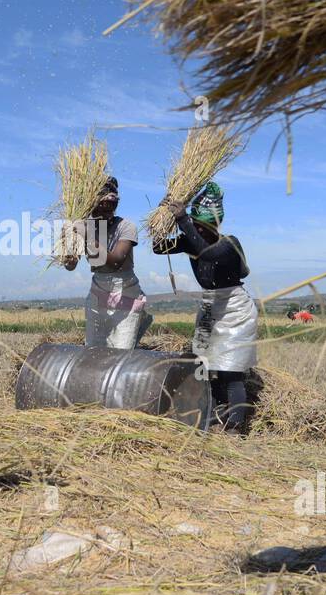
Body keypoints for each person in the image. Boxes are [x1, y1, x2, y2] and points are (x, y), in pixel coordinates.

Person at [153, 182, 257, 434]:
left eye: (203, 226)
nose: (198, 230)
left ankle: (235, 426)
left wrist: (185, 222)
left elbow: (208, 254)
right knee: (203, 362)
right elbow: (158, 247)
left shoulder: (230, 244)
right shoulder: (191, 240)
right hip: (210, 306)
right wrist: (162, 218)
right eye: (197, 226)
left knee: (231, 370)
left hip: (235, 308)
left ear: (216, 224)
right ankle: (212, 411)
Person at [60, 176, 152, 348]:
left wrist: (87, 236)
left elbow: (115, 262)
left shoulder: (126, 226)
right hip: (98, 291)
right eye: (102, 207)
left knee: (121, 352)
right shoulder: (85, 226)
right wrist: (68, 250)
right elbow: (71, 266)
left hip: (125, 292)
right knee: (94, 350)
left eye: (110, 207)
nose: (106, 212)